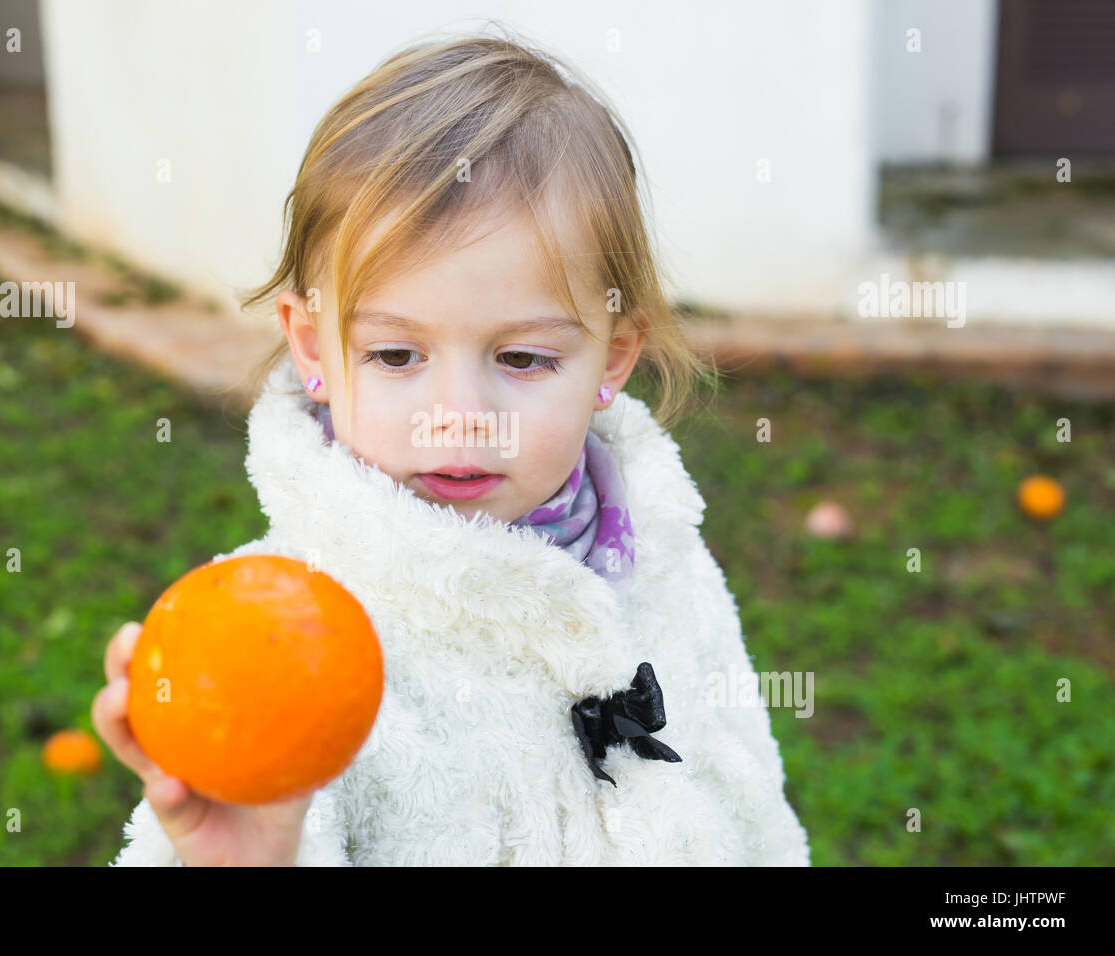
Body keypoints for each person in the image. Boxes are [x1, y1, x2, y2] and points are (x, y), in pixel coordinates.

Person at [94, 25, 811, 866]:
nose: (461, 418)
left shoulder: (660, 558)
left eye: (521, 358)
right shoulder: (282, 633)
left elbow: (752, 801)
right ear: (316, 346)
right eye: (396, 355)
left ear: (613, 357)